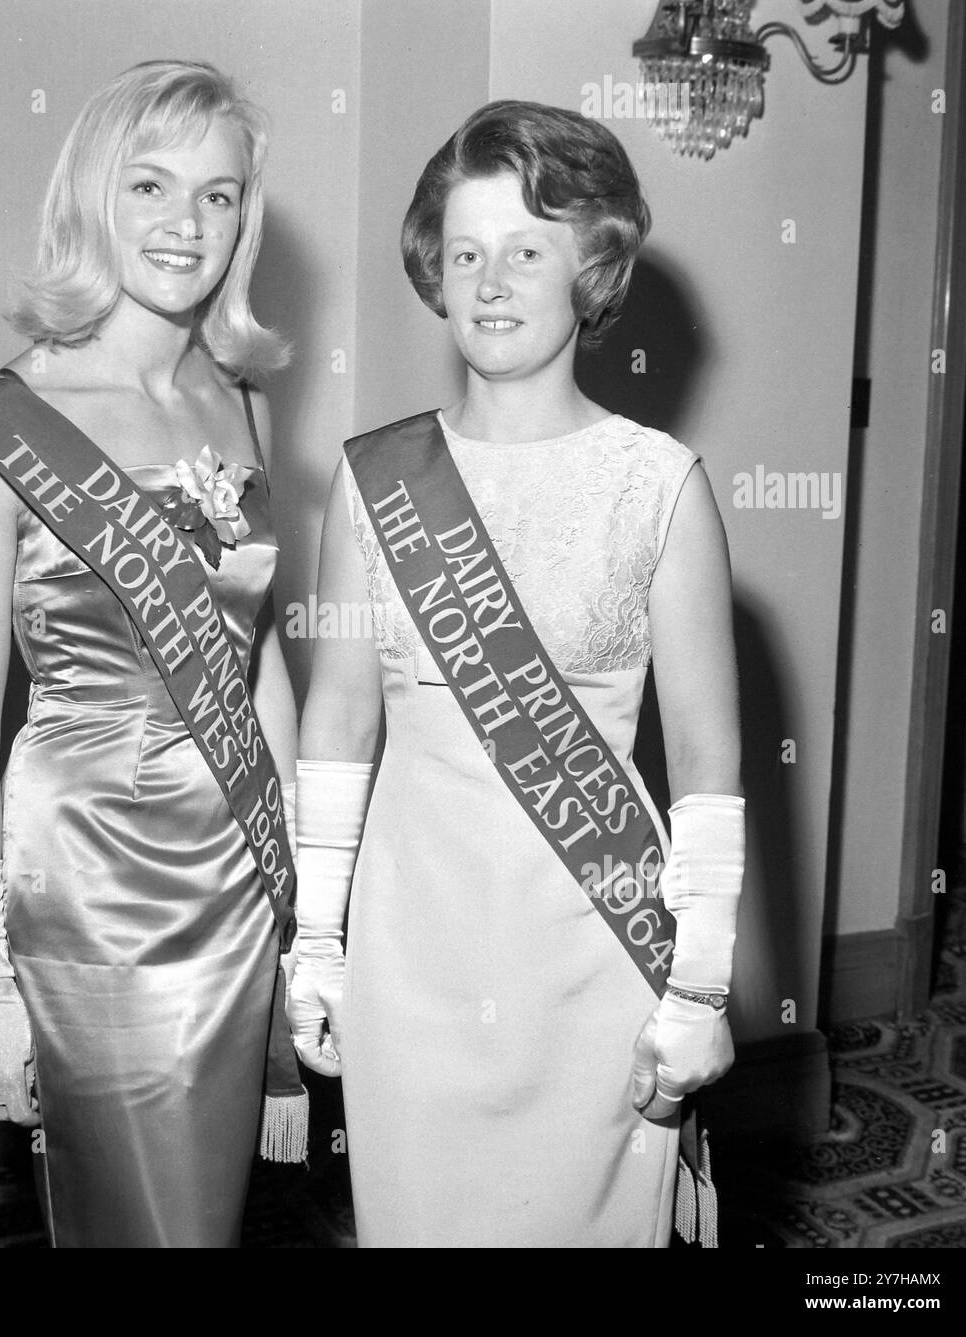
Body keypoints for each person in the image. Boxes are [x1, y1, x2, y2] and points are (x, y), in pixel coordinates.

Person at [287, 101, 744, 1247]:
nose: (491, 281)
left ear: (590, 267)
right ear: (433, 274)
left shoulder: (660, 484)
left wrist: (698, 985)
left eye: (527, 249)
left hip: (593, 944)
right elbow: (337, 721)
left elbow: (706, 760)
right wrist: (318, 941)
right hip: (411, 948)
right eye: (465, 252)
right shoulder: (374, 479)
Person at [0, 60, 302, 1248]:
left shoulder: (240, 398)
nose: (187, 223)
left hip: (239, 875)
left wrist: (304, 910)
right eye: (152, 184)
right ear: (94, 196)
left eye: (220, 195)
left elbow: (260, 663)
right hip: (91, 889)